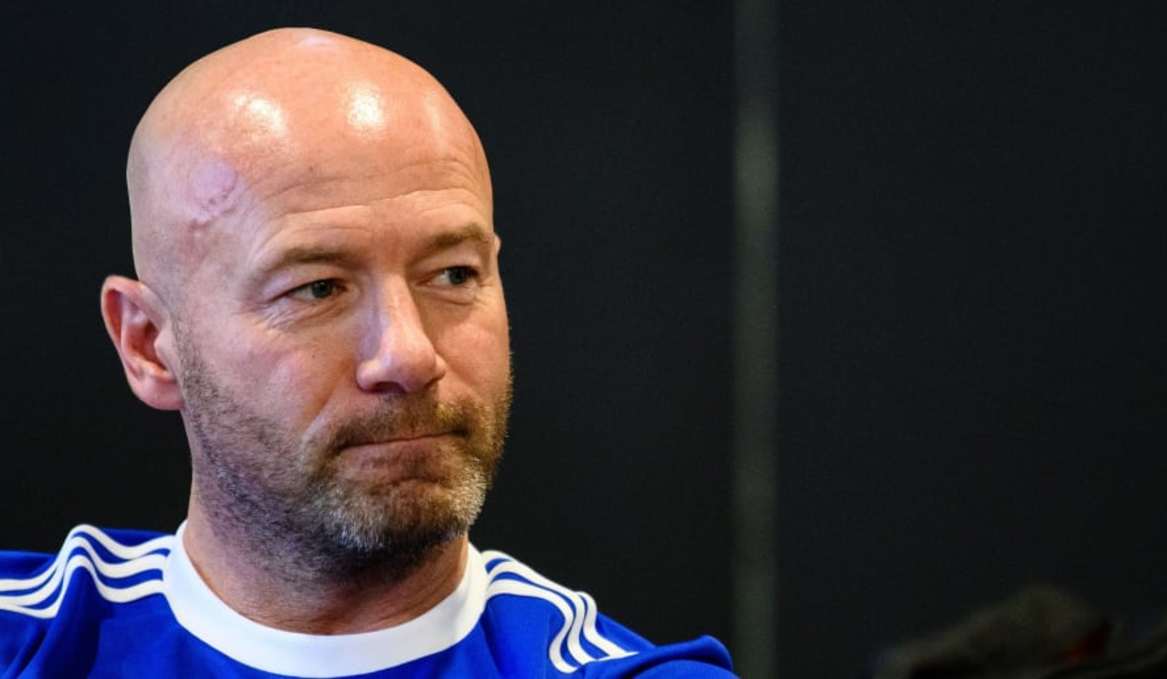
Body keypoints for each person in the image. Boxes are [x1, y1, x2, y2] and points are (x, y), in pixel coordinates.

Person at [0, 28, 734, 678]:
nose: (409, 356)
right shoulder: (30, 640)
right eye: (317, 288)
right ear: (148, 346)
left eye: (454, 275)